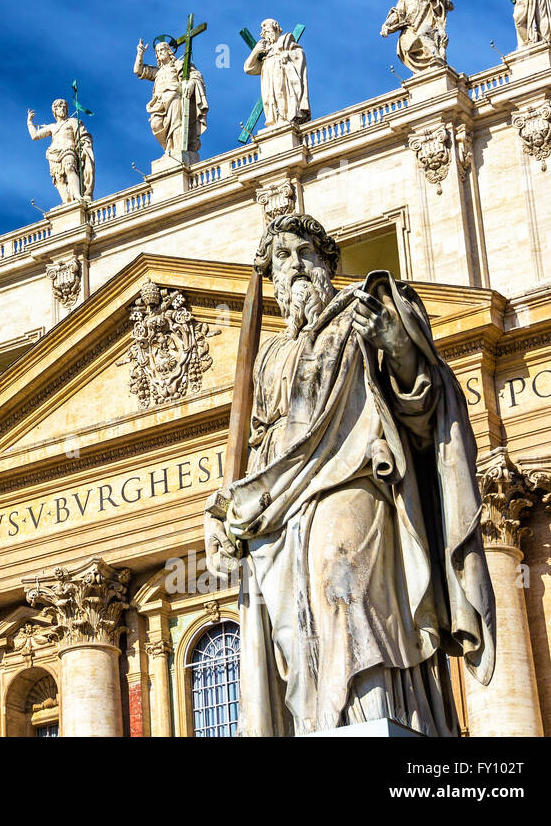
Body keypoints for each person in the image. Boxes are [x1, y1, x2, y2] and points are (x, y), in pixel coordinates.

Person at [204, 212, 495, 736]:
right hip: (281, 509)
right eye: (281, 259)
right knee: (295, 624)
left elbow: (424, 407)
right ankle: (324, 722)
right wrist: (231, 509)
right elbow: (258, 445)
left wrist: (399, 348)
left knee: (345, 585)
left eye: (304, 254)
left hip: (354, 477)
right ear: (271, 280)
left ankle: (375, 715)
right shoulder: (270, 356)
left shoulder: (363, 314)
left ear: (327, 261)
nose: (294, 266)